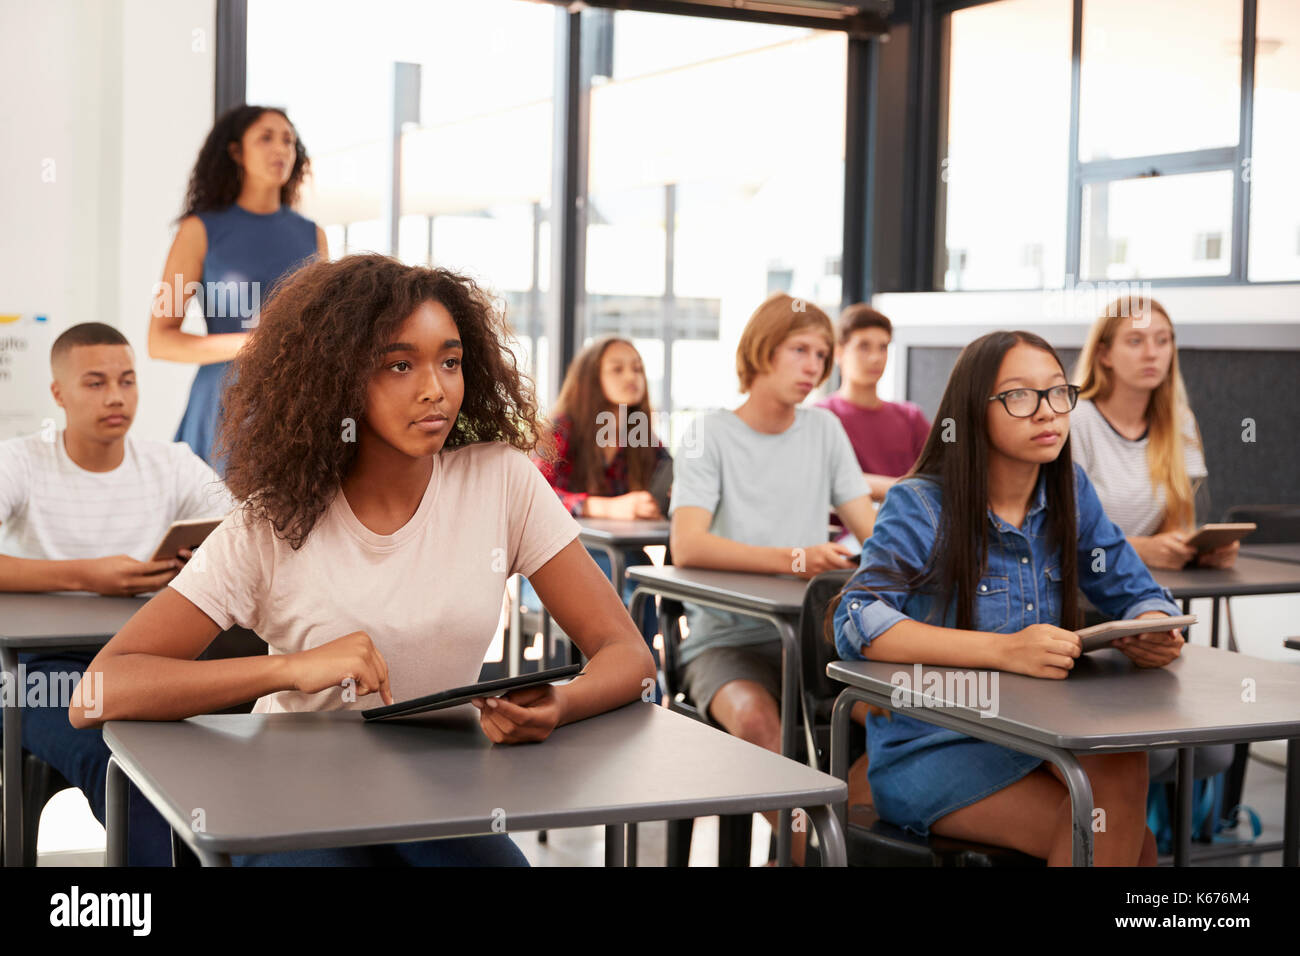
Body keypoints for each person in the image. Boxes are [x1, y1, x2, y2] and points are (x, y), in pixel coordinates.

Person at [71, 255, 656, 866]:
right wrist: (289, 670)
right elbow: (96, 692)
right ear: (339, 378)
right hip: (297, 805)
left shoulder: (502, 482)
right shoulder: (273, 521)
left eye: (450, 362)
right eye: (399, 365)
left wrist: (560, 705)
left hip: (440, 801)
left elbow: (629, 658)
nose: (435, 388)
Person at [831, 330, 1186, 866]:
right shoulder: (922, 504)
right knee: (1116, 842)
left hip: (1035, 737)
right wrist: (1002, 650)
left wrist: (1151, 625)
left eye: (1057, 393)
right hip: (936, 746)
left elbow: (1135, 589)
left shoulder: (1069, 491)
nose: (1046, 412)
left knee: (1125, 787)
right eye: (1020, 396)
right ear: (976, 410)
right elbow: (857, 620)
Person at [0, 322, 234, 865]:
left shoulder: (170, 463)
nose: (115, 397)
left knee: (228, 753)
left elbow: (243, 528)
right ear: (58, 393)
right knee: (123, 769)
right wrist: (86, 576)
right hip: (45, 670)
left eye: (128, 381)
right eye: (95, 382)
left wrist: (205, 560)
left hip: (152, 661)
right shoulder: (20, 462)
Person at [670, 292, 876, 863]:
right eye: (799, 350)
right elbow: (686, 544)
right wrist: (794, 558)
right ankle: (812, 851)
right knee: (759, 722)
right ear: (762, 350)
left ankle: (810, 849)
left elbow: (873, 532)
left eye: (821, 354)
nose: (814, 367)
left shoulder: (826, 432)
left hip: (813, 643)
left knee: (899, 712)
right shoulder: (708, 432)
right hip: (726, 642)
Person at [149, 105, 327, 469]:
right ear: (236, 152)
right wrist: (252, 344)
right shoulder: (196, 232)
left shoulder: (313, 236)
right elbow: (160, 339)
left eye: (289, 140)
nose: (281, 149)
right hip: (221, 407)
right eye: (266, 138)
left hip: (297, 407)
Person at [530, 336, 670, 698]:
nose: (631, 377)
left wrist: (655, 504)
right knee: (624, 584)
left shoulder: (641, 437)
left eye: (637, 369)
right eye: (618, 368)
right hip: (557, 563)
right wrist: (603, 506)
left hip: (620, 559)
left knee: (642, 583)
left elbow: (671, 485)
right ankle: (620, 689)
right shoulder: (562, 429)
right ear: (592, 377)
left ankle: (641, 685)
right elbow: (532, 495)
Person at [1071, 296, 1234, 571]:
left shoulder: (1179, 421)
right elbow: (1059, 535)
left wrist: (1194, 550)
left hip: (1141, 582)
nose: (1152, 353)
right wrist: (1141, 550)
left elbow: (1173, 527)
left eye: (1162, 340)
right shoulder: (1075, 419)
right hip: (1084, 583)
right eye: (1135, 341)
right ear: (1104, 354)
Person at [817, 305, 930, 502]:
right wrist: (907, 489)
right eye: (864, 346)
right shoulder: (821, 416)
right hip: (849, 529)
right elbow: (828, 479)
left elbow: (936, 475)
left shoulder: (910, 416)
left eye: (883, 347)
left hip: (914, 524)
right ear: (838, 353)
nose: (876, 357)